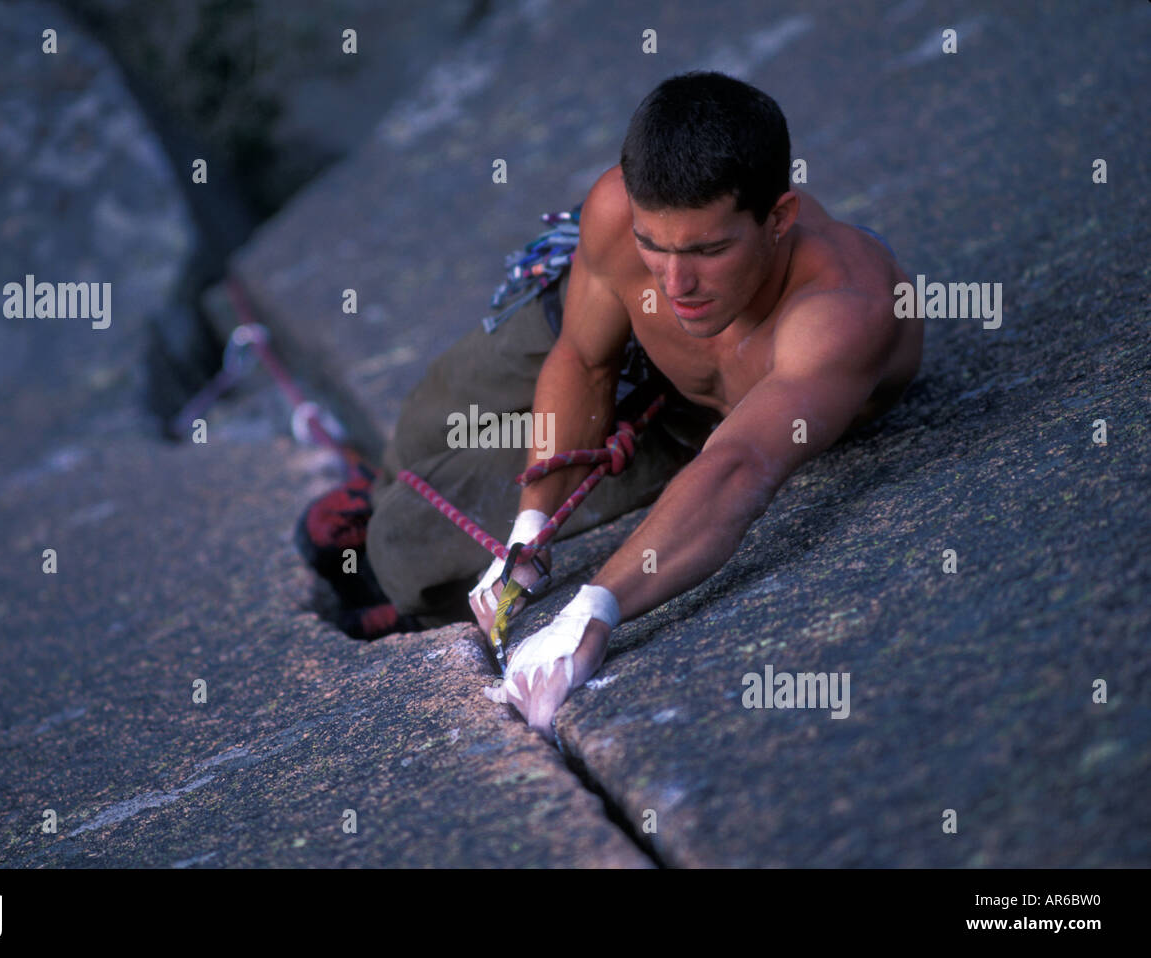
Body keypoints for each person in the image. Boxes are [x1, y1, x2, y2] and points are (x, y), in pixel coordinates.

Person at [298, 70, 923, 740]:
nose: (678, 283)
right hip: (631, 343)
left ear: (779, 218)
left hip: (706, 424)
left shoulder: (843, 307)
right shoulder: (616, 215)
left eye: (709, 250)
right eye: (654, 245)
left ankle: (394, 571)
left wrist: (593, 610)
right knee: (427, 418)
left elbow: (740, 464)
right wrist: (530, 526)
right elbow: (584, 357)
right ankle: (389, 479)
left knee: (405, 541)